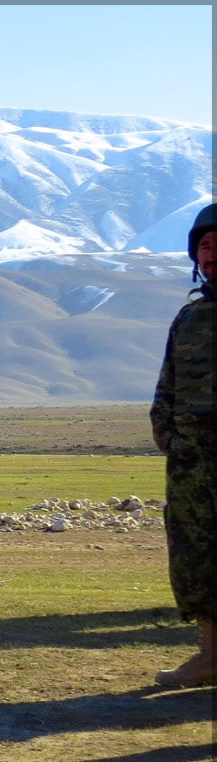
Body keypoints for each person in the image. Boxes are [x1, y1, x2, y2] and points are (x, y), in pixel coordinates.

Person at [149, 203, 217, 688]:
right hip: (192, 457)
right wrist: (169, 437)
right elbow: (167, 386)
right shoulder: (189, 319)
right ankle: (211, 653)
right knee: (195, 554)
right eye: (206, 246)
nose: (212, 254)